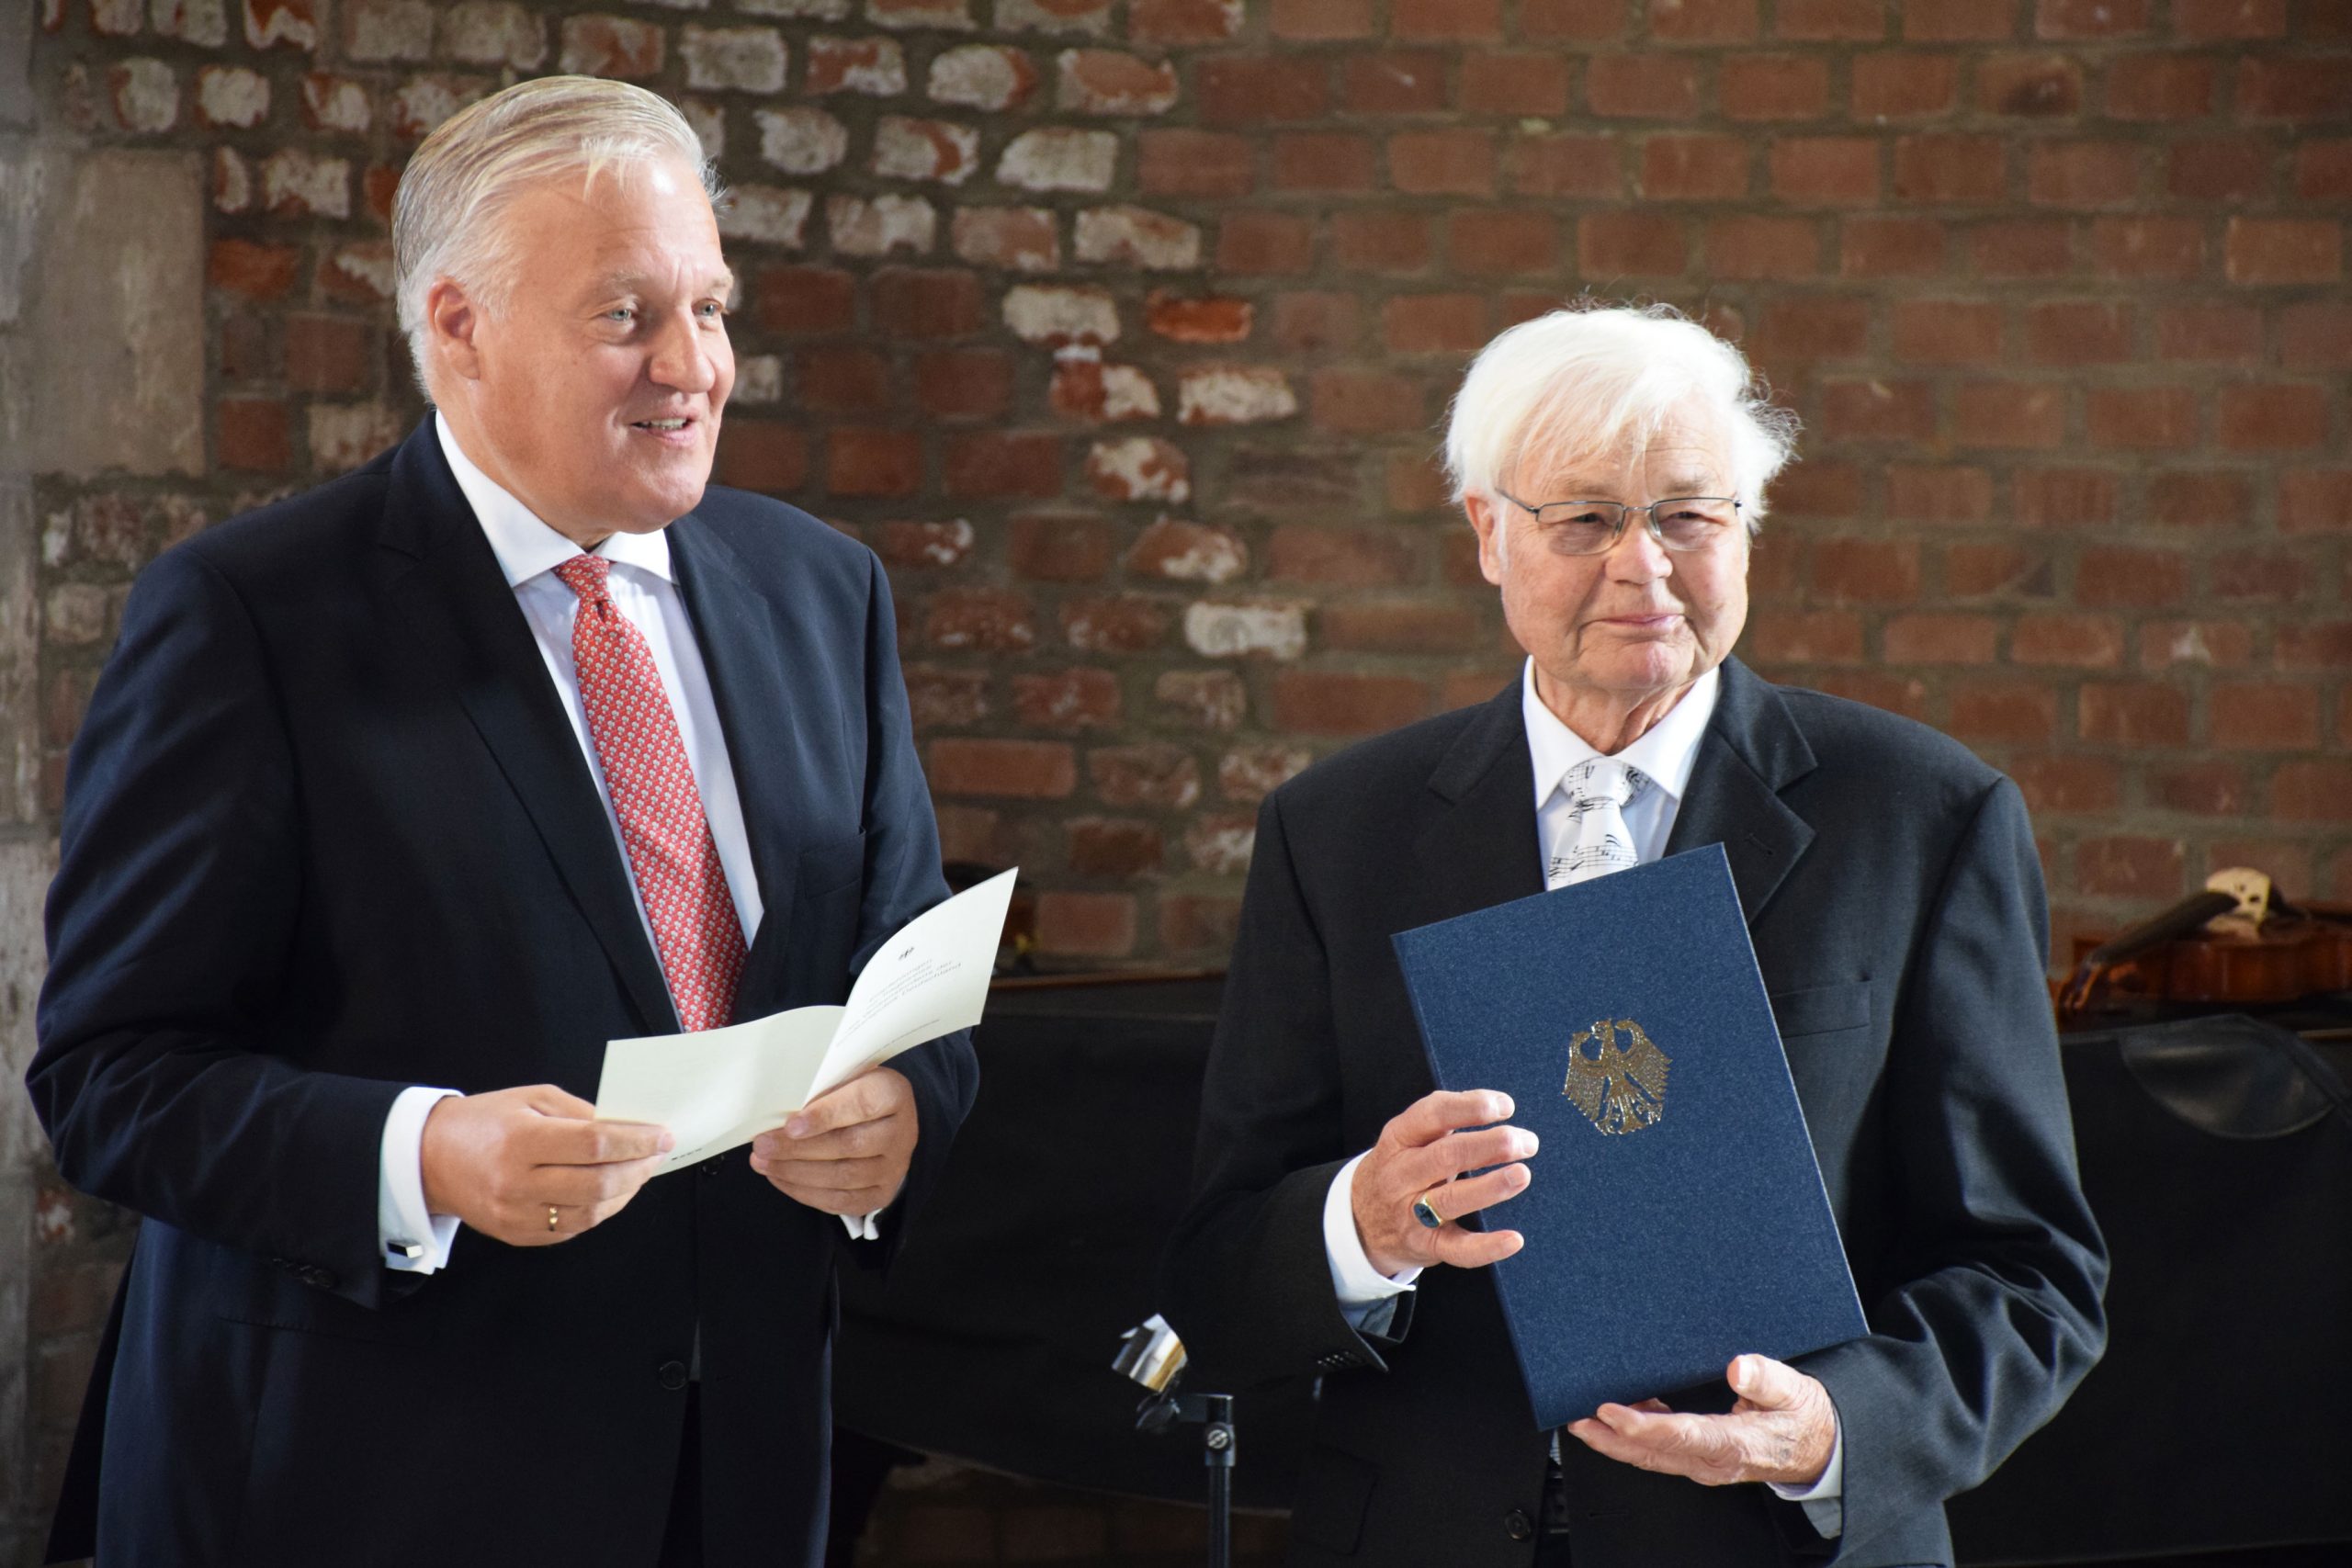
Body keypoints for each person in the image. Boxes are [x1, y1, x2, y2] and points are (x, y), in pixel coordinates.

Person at [27, 76, 975, 1568]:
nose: (695, 368)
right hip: (369, 1483)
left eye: (712, 309)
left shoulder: (824, 591)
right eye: (627, 318)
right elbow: (110, 1077)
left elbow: (909, 980)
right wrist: (427, 1153)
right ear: (457, 327)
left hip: (742, 1475)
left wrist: (906, 1111)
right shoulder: (249, 616)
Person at [1161, 303, 2106, 1567]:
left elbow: (2035, 1276)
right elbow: (1217, 1264)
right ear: (1487, 534)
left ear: (1747, 531)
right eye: (1588, 517)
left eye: (1687, 515)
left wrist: (1832, 1430)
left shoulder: (1924, 818)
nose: (1644, 565)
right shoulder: (1337, 832)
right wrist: (1360, 1227)